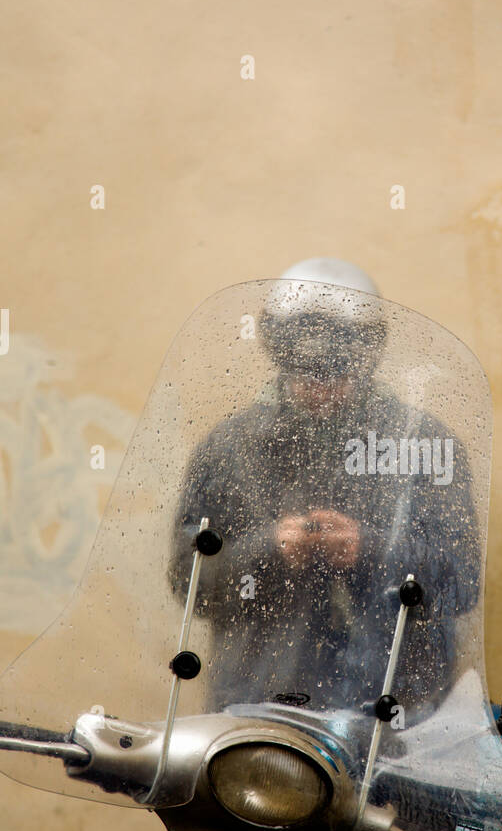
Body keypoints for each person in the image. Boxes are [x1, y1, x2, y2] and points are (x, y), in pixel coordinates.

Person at [168, 257, 481, 728]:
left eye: (336, 371)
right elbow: (187, 583)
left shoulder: (422, 444)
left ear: (369, 354)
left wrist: (367, 548)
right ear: (277, 350)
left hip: (392, 716)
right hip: (257, 711)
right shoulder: (228, 448)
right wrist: (268, 549)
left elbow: (461, 583)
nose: (320, 386)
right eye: (305, 370)